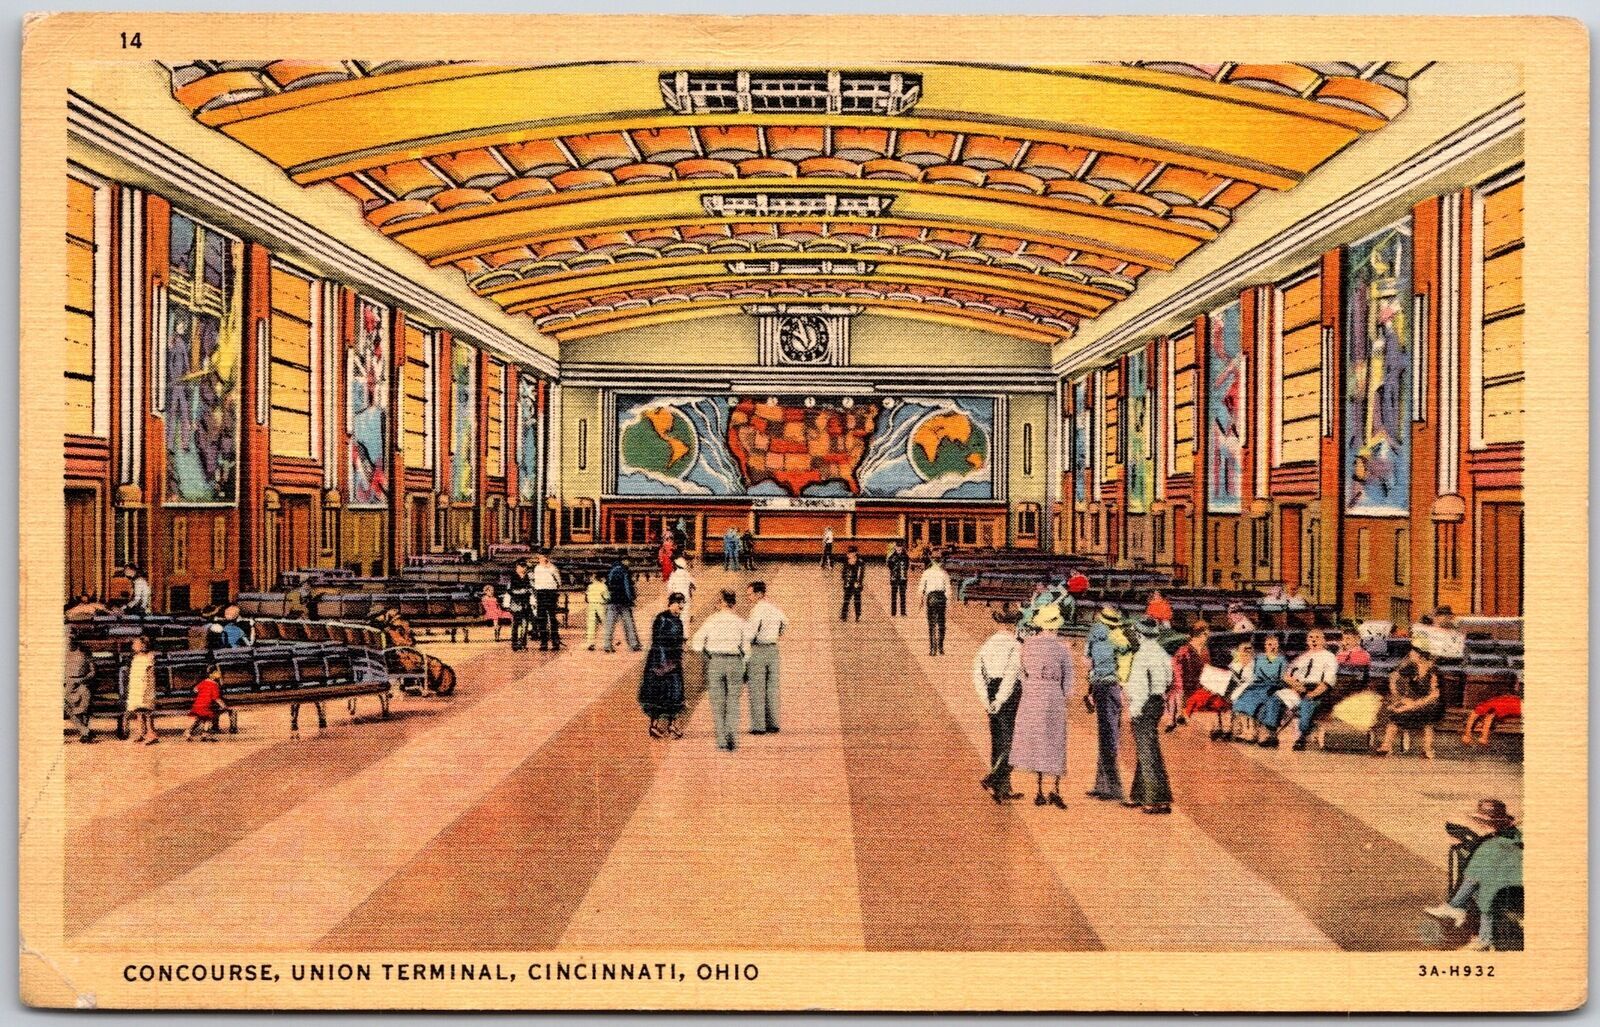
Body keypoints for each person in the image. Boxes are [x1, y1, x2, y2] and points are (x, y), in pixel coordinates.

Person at [1425, 799, 1523, 951]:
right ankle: (1458, 910)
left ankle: (1459, 911)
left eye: (1484, 821)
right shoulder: (1499, 838)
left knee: (1482, 889)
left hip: (1509, 880)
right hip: (1502, 876)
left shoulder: (1496, 843)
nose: (1482, 824)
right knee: (1479, 884)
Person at [1010, 604, 1073, 810]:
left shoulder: (1028, 644)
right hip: (1054, 694)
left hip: (1033, 694)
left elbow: (1022, 671)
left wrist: (1030, 686)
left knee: (1037, 740)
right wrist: (1063, 696)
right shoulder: (1063, 648)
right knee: (1055, 741)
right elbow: (1068, 680)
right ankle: (1054, 789)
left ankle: (1038, 790)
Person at [1124, 617, 1174, 815]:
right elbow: (1169, 678)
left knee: (1148, 753)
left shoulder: (1142, 655)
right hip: (1158, 702)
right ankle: (1138, 794)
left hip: (1144, 705)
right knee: (1147, 749)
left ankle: (1156, 800)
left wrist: (1134, 709)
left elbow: (1140, 688)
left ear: (1139, 634)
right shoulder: (1161, 653)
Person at [972, 621, 1023, 804]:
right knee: (1011, 742)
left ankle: (1001, 790)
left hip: (990, 690)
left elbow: (977, 675)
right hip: (1008, 694)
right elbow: (1011, 674)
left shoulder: (985, 647)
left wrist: (987, 702)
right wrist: (1001, 699)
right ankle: (994, 778)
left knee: (997, 740)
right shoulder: (1014, 645)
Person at [692, 589, 749, 752]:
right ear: (733, 603)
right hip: (735, 662)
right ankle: (732, 735)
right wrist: (743, 665)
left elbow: (696, 644)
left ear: (723, 602)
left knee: (718, 703)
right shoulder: (740, 622)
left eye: (718, 600)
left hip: (715, 662)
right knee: (733, 701)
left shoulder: (711, 620)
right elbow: (747, 649)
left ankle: (721, 739)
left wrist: (707, 655)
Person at [1083, 606, 1129, 802]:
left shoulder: (1094, 633)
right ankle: (1110, 787)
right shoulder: (1120, 637)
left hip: (1099, 686)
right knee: (1110, 737)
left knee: (1105, 737)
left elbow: (1088, 662)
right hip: (1112, 687)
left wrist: (1091, 685)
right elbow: (1125, 666)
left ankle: (1107, 786)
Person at [1377, 633, 1444, 758]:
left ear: (1421, 655)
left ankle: (1428, 749)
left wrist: (1412, 705)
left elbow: (1434, 695)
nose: (1410, 654)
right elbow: (1394, 677)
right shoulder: (1411, 667)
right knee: (1394, 713)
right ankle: (1386, 747)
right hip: (1414, 701)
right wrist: (1398, 696)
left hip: (1431, 704)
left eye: (1413, 651)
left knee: (1426, 720)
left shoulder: (1433, 671)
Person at [639, 593, 688, 738]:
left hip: (673, 662)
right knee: (658, 694)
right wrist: (663, 665)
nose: (681, 607)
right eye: (679, 604)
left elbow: (677, 640)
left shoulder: (678, 621)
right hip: (661, 663)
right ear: (671, 603)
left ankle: (672, 725)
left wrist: (680, 649)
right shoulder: (662, 618)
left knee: (675, 694)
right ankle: (654, 726)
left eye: (682, 604)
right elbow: (658, 641)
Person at [744, 581, 787, 735]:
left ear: (759, 594)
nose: (748, 597)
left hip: (758, 650)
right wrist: (776, 635)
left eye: (750, 594)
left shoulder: (756, 611)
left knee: (756, 688)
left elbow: (751, 634)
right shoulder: (774, 608)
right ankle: (773, 723)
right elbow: (785, 622)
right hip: (773, 649)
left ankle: (758, 726)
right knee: (772, 688)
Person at [1286, 628, 1339, 750]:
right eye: (1311, 638)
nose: (1314, 640)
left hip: (1318, 689)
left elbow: (1328, 681)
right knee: (1275, 699)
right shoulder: (1302, 657)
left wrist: (1312, 694)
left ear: (1324, 641)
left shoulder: (1329, 657)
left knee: (1305, 705)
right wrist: (1296, 687)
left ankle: (1302, 736)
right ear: (1307, 641)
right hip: (1299, 687)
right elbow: (1288, 675)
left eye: (1317, 637)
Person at [1233, 632, 1288, 747]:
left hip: (1273, 686)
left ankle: (1263, 733)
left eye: (1274, 644)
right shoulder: (1259, 658)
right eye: (1269, 644)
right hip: (1258, 685)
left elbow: (1282, 678)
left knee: (1262, 703)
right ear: (1265, 646)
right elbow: (1253, 672)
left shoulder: (1282, 660)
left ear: (1278, 645)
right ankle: (1249, 732)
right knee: (1242, 700)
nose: (1271, 647)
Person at [1168, 620, 1210, 733]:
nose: (1207, 637)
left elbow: (1207, 669)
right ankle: (1175, 719)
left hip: (1198, 686)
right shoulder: (1183, 651)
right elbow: (1177, 675)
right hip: (1184, 687)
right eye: (1206, 634)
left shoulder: (1204, 651)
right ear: (1199, 635)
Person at [1462, 677, 1522, 747]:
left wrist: (1468, 734)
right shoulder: (1491, 709)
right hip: (1515, 705)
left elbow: (1473, 717)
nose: (1480, 727)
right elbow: (1487, 720)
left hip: (1517, 705)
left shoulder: (1484, 707)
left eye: (1479, 726)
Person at [601, 557, 642, 653]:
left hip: (612, 600)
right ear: (624, 561)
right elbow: (627, 587)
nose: (629, 563)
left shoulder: (611, 570)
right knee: (628, 624)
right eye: (628, 560)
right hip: (623, 601)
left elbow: (607, 584)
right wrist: (631, 598)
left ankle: (607, 645)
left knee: (610, 624)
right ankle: (633, 644)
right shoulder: (624, 571)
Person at [125, 634, 158, 745]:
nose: (133, 645)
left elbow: (149, 675)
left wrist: (146, 689)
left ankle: (151, 734)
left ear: (143, 645)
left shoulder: (149, 657)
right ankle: (141, 733)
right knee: (138, 712)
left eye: (136, 643)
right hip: (136, 687)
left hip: (145, 687)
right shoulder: (135, 657)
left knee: (147, 712)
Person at [918, 551, 951, 656]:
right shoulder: (944, 573)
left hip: (931, 598)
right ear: (940, 561)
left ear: (932, 560)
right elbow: (948, 590)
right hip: (941, 598)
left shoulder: (926, 573)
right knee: (941, 624)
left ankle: (932, 649)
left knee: (931, 624)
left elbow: (921, 589)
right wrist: (949, 604)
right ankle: (941, 648)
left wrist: (920, 602)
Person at [64, 636, 96, 743]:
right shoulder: (62, 654)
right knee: (63, 703)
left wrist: (83, 679)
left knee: (85, 695)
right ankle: (85, 731)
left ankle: (84, 733)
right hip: (67, 685)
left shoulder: (85, 653)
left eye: (70, 642)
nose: (68, 644)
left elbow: (92, 672)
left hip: (83, 683)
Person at [531, 550, 563, 651]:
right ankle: (543, 642)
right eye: (539, 557)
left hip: (551, 593)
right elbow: (536, 582)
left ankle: (555, 642)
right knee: (542, 618)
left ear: (547, 557)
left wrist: (550, 568)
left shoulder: (553, 568)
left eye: (543, 557)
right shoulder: (536, 568)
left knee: (552, 617)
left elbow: (559, 581)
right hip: (540, 593)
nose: (541, 559)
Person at [185, 663, 227, 742]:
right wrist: (223, 705)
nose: (219, 674)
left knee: (199, 719)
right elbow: (216, 698)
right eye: (217, 672)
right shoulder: (215, 685)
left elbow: (195, 689)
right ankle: (205, 734)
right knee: (208, 719)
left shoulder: (204, 682)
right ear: (212, 674)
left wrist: (203, 692)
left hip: (198, 704)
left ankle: (188, 732)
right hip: (206, 705)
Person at [505, 559, 534, 652]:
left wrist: (529, 590)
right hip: (516, 604)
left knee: (525, 625)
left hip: (526, 603)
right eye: (520, 567)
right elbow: (509, 590)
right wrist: (520, 591)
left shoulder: (527, 577)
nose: (522, 569)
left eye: (524, 567)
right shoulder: (513, 577)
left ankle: (523, 643)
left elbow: (531, 588)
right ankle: (514, 644)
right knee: (515, 625)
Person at [666, 557, 697, 629]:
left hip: (675, 598)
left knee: (675, 616)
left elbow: (669, 588)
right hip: (686, 598)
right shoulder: (688, 574)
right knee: (685, 617)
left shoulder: (673, 575)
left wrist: (669, 596)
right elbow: (694, 586)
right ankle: (685, 635)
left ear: (677, 565)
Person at [583, 571, 610, 651]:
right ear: (602, 578)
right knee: (605, 624)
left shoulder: (590, 586)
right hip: (601, 605)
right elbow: (607, 597)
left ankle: (590, 643)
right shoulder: (603, 586)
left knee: (591, 625)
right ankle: (607, 643)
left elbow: (586, 598)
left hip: (591, 605)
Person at [839, 547, 866, 622]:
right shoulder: (846, 561)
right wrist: (845, 580)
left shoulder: (860, 562)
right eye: (848, 553)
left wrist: (858, 583)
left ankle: (858, 615)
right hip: (848, 583)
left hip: (856, 584)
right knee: (846, 600)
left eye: (850, 553)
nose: (848, 555)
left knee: (857, 600)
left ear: (855, 554)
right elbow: (844, 572)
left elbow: (860, 574)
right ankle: (843, 615)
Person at [886, 541, 910, 617]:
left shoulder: (905, 556)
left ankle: (903, 612)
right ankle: (893, 612)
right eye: (897, 547)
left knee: (903, 596)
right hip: (894, 578)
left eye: (900, 547)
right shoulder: (892, 556)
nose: (899, 549)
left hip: (903, 578)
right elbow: (889, 566)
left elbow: (907, 566)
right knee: (894, 596)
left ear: (902, 548)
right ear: (895, 547)